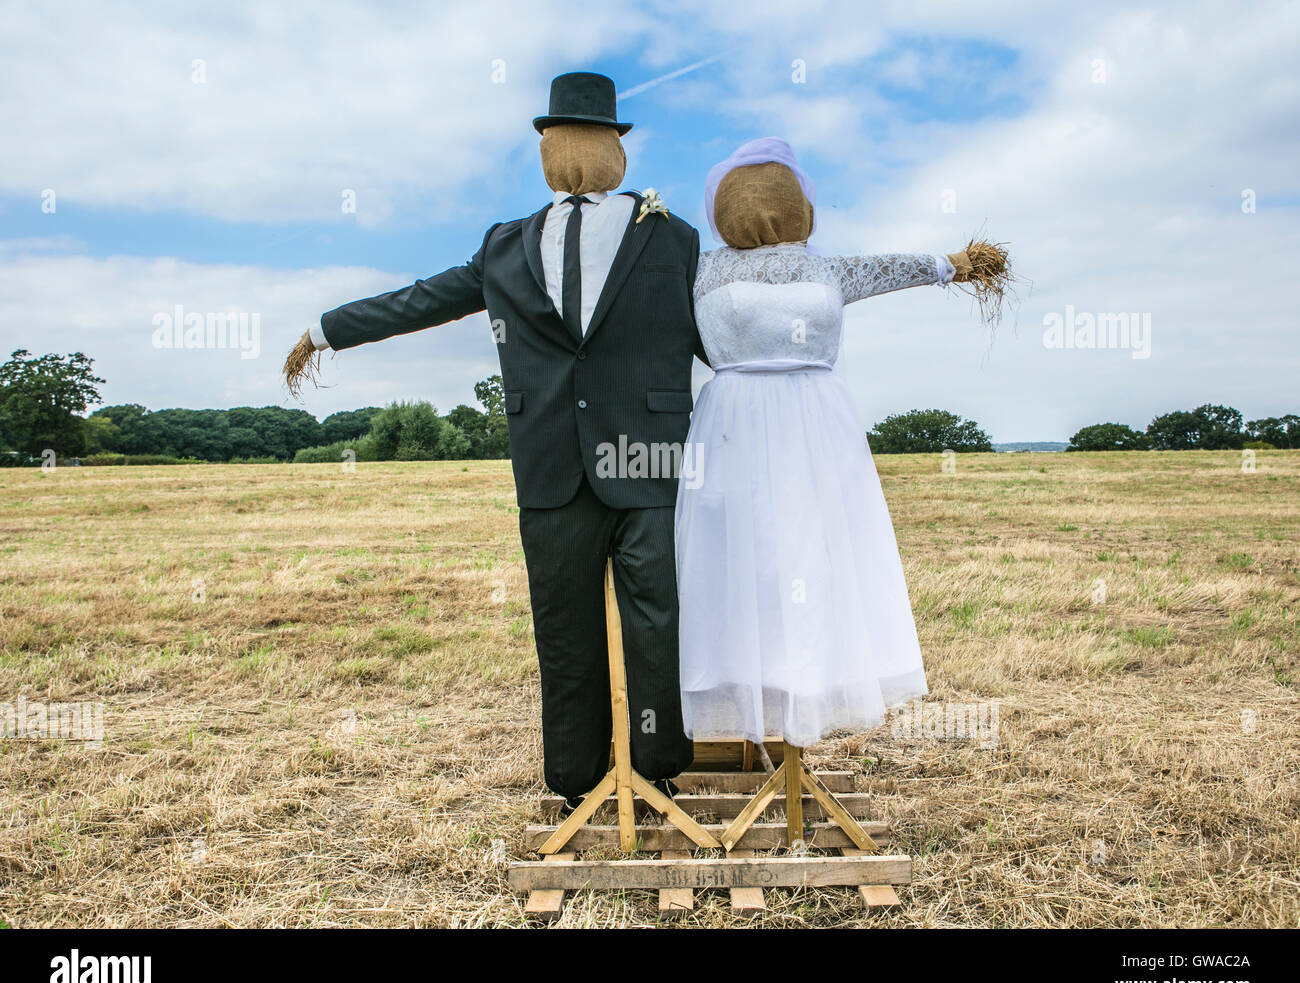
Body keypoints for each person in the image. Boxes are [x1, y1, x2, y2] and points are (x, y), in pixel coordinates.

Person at [284, 72, 707, 810]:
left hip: (649, 457)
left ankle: (656, 759)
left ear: (615, 148)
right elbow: (422, 299)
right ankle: (577, 776)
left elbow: (718, 325)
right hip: (549, 464)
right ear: (550, 151)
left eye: (589, 138)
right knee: (564, 627)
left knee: (656, 619)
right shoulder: (506, 245)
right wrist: (326, 329)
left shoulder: (671, 236)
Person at [675, 137, 1009, 747]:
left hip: (808, 430)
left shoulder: (759, 271)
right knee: (742, 558)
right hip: (739, 427)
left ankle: (803, 687)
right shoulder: (697, 272)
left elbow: (896, 267)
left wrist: (953, 264)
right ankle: (747, 693)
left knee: (808, 556)